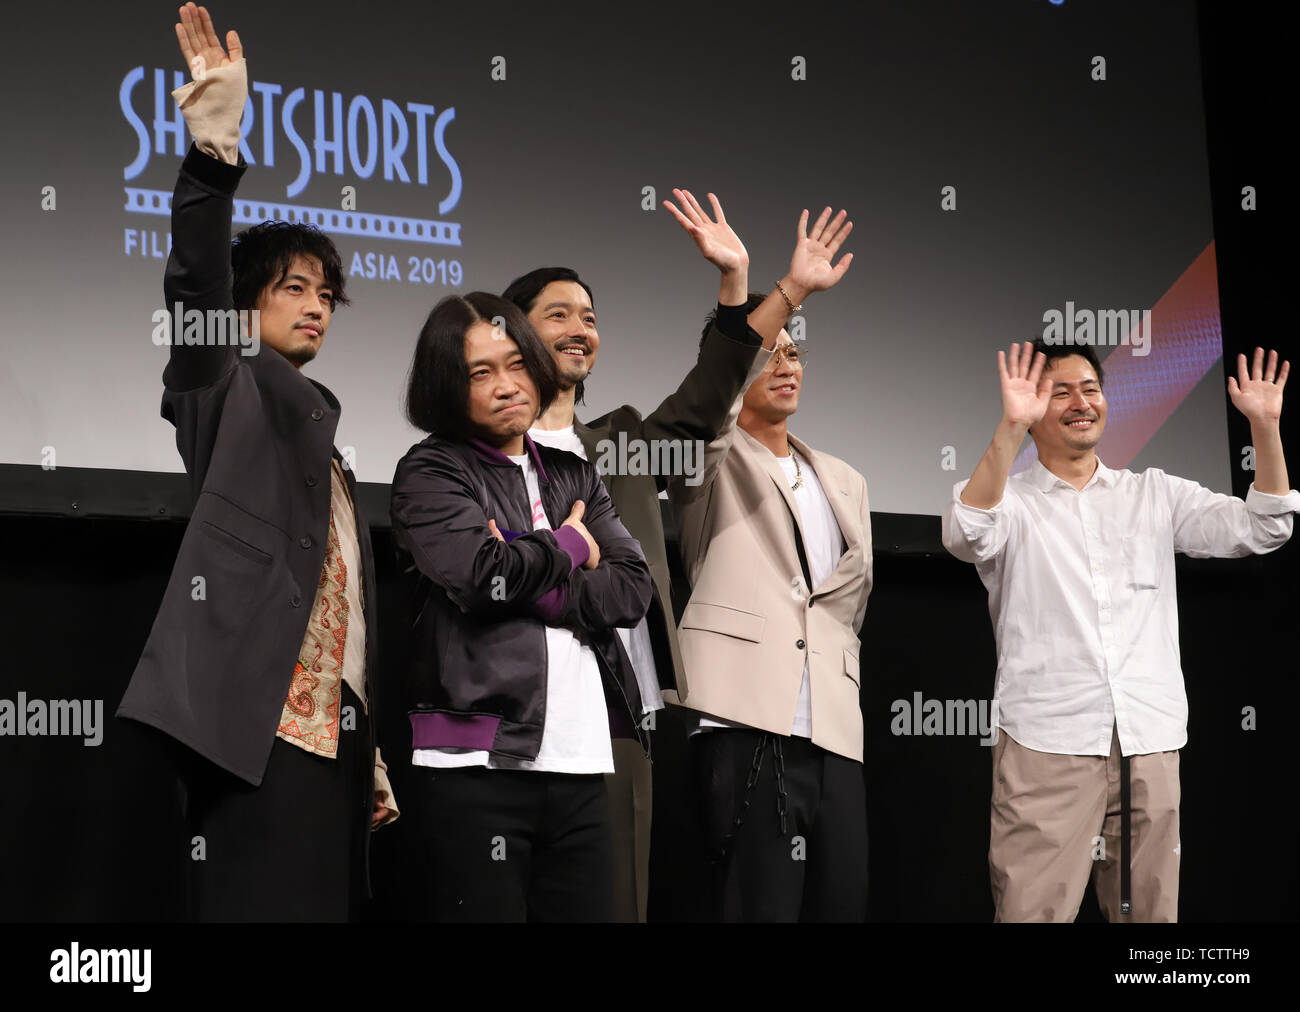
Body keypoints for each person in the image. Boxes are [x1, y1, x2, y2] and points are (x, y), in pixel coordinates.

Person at [117, 3, 397, 923]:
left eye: (327, 295)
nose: (316, 307)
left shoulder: (333, 459)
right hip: (253, 737)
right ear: (246, 309)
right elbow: (193, 279)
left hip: (337, 750)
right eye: (293, 290)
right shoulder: (223, 386)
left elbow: (339, 613)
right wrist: (212, 153)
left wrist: (368, 744)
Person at [941, 340, 1297, 922]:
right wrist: (1009, 428)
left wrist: (1265, 426)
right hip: (1047, 744)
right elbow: (965, 533)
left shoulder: (1154, 493)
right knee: (1033, 914)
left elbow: (1265, 528)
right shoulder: (1013, 503)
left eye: (1090, 388)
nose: (1082, 402)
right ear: (1032, 411)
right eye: (1060, 392)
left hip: (1148, 738)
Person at [501, 189, 774, 920]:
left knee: (615, 901)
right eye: (558, 313)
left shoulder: (620, 442)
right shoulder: (475, 456)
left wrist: (737, 286)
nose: (580, 328)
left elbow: (707, 396)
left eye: (589, 317)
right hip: (508, 711)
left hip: (616, 713)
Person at [390, 292, 653, 921]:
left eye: (516, 364)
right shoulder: (430, 471)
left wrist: (534, 565)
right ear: (448, 386)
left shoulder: (574, 474)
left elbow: (632, 588)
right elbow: (484, 578)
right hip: (476, 763)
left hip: (582, 758)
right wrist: (568, 543)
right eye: (482, 372)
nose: (507, 385)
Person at [669, 207, 873, 921]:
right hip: (744, 719)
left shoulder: (845, 480)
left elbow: (845, 612)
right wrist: (772, 288)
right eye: (768, 352)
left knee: (840, 905)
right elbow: (710, 396)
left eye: (794, 353)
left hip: (834, 732)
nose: (785, 365)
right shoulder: (709, 459)